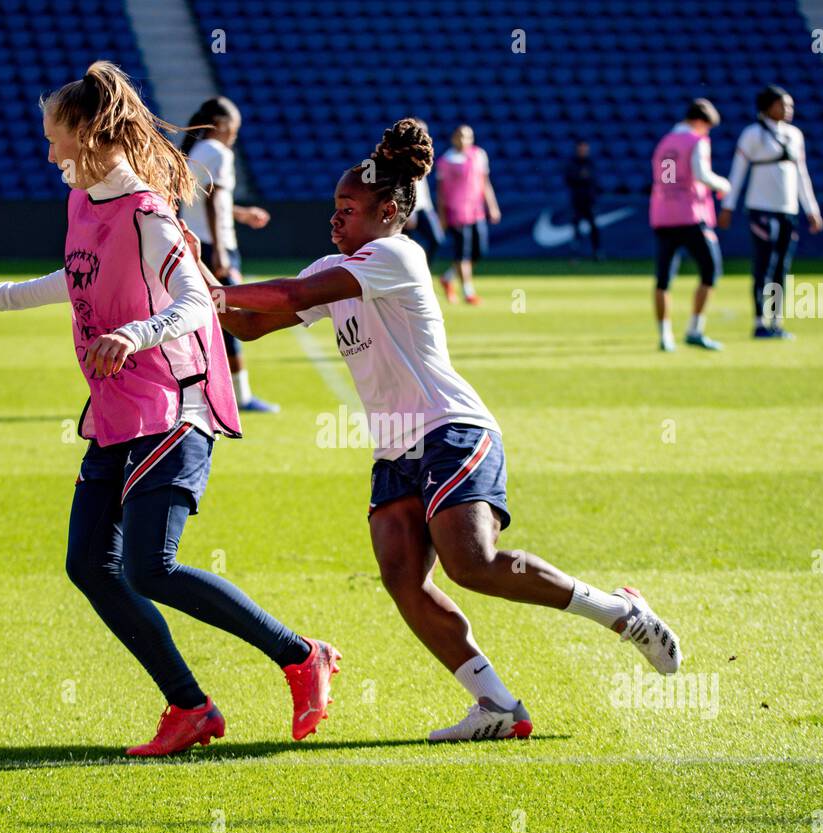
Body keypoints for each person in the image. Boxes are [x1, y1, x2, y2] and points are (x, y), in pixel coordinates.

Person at [180, 118, 683, 743]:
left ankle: (622, 613)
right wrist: (195, 291)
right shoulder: (337, 262)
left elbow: (284, 294)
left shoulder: (394, 254)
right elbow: (254, 325)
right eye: (334, 208)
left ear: (388, 210)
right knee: (402, 577)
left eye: (348, 208)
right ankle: (496, 705)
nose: (334, 219)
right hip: (395, 445)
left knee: (472, 563)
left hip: (451, 428)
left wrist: (212, 289)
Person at [0, 62, 339, 757]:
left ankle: (300, 654)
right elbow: (73, 280)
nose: (48, 153)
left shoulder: (147, 214)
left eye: (54, 139)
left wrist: (133, 333)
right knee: (89, 564)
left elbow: (195, 302)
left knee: (148, 566)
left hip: (174, 399)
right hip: (120, 408)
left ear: (89, 134)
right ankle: (190, 707)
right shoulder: (83, 199)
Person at [179, 96, 280, 412]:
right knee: (233, 317)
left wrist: (241, 213)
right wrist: (220, 252)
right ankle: (240, 396)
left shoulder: (196, 152)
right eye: (233, 130)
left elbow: (210, 201)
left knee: (204, 318)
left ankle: (202, 392)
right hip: (213, 247)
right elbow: (211, 202)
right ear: (221, 126)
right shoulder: (219, 152)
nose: (234, 136)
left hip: (200, 244)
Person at [719, 85, 823, 340]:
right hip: (761, 209)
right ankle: (759, 321)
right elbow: (738, 171)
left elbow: (802, 175)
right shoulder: (753, 135)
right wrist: (728, 206)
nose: (788, 110)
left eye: (789, 105)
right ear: (767, 107)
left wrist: (811, 208)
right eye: (782, 105)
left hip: (788, 210)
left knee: (782, 268)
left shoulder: (795, 135)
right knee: (764, 265)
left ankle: (776, 321)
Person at [649, 99, 732, 351]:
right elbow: (701, 175)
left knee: (664, 278)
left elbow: (668, 180)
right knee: (711, 271)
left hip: (663, 215)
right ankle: (694, 329)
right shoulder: (696, 142)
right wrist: (724, 185)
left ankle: (665, 336)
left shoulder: (664, 143)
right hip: (690, 215)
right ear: (699, 122)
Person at [436, 124, 501, 305]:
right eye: (461, 136)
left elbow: (485, 182)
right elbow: (441, 192)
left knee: (479, 251)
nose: (465, 140)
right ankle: (468, 292)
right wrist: (442, 215)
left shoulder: (479, 155)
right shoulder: (447, 160)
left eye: (468, 136)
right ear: (454, 138)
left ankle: (448, 278)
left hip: (476, 211)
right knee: (462, 254)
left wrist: (492, 206)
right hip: (456, 212)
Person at [403, 120, 445, 266]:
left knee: (437, 239)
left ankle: (421, 270)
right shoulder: (404, 154)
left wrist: (429, 206)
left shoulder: (424, 153)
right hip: (408, 208)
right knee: (405, 246)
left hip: (423, 206)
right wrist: (407, 209)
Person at [565, 140, 602, 261]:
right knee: (576, 228)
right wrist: (581, 177)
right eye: (581, 148)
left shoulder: (591, 163)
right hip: (577, 201)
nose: (583, 150)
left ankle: (596, 252)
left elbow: (594, 180)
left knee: (594, 227)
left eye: (585, 148)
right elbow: (570, 179)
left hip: (589, 201)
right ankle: (575, 254)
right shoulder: (572, 163)